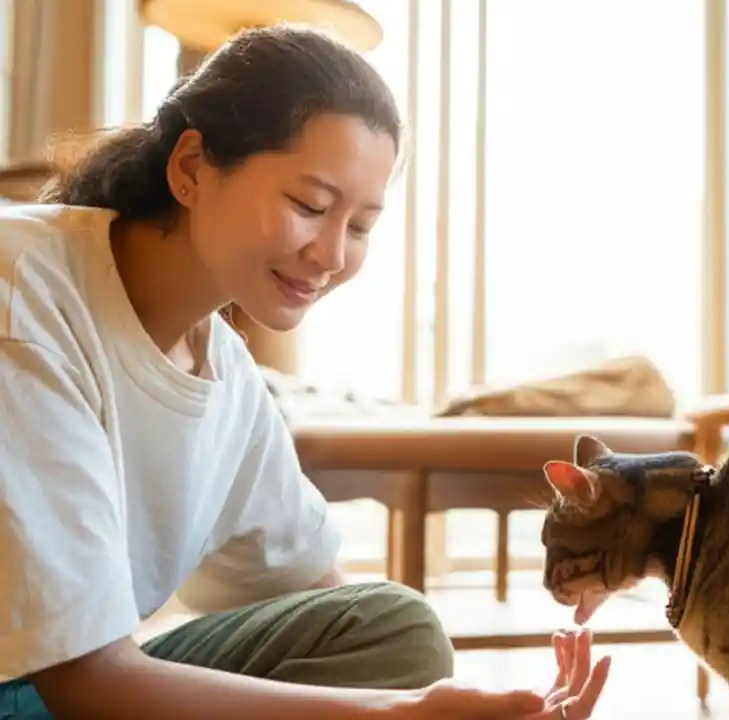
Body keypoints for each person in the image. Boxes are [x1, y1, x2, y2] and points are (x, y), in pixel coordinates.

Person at [0, 23, 608, 720]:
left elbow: (328, 605)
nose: (330, 254)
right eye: (310, 206)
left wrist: (475, 709)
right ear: (192, 167)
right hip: (49, 689)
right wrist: (396, 716)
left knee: (391, 636)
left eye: (359, 227)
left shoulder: (223, 372)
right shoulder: (22, 294)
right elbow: (87, 686)